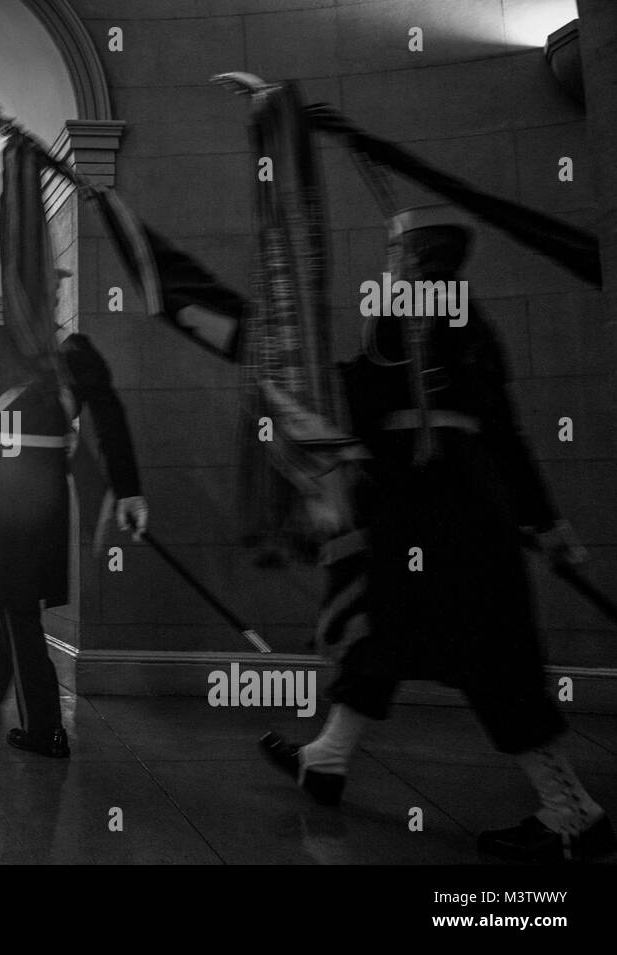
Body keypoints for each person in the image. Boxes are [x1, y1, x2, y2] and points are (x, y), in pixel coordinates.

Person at [259, 207, 614, 863]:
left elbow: (363, 404)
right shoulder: (474, 323)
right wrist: (545, 519)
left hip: (428, 517)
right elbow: (504, 432)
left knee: (493, 663)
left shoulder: (403, 313)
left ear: (412, 256)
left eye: (397, 254)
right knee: (385, 636)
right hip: (469, 508)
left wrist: (300, 383)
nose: (390, 265)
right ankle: (328, 759)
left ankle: (574, 814)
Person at [0, 304, 148, 759]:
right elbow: (110, 418)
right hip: (48, 481)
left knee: (17, 599)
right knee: (19, 597)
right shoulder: (76, 351)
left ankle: (45, 728)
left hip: (3, 481)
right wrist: (128, 490)